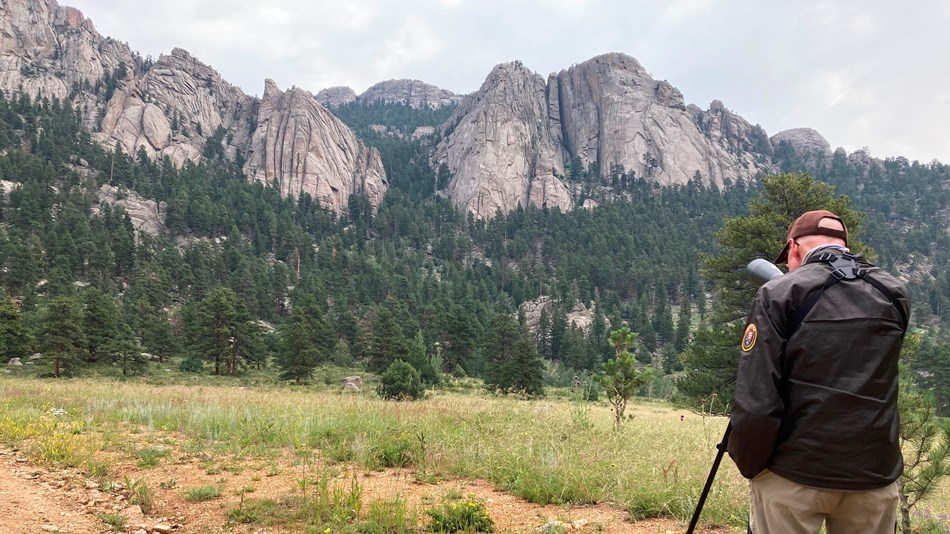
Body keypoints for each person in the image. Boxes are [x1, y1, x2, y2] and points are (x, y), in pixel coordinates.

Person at [728, 210, 910, 534]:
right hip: (874, 473)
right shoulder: (892, 294)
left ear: (794, 248)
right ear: (843, 244)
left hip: (793, 472)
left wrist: (752, 466)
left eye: (787, 259)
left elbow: (756, 400)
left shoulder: (779, 293)